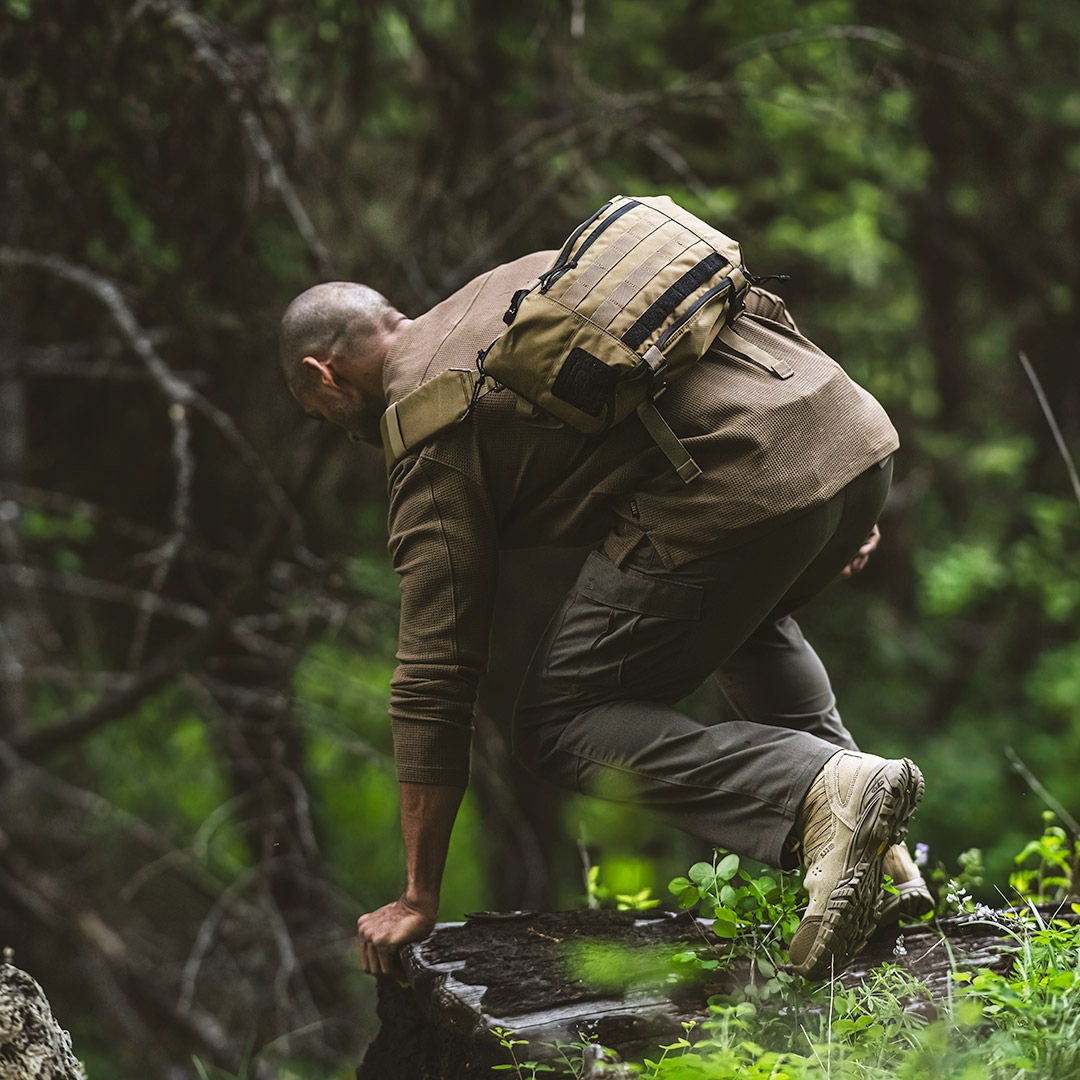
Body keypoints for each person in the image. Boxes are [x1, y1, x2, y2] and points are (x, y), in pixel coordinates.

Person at [279, 237, 932, 982]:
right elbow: (725, 301)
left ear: (321, 376)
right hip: (849, 432)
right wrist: (838, 476)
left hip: (745, 485)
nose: (341, 429)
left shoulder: (426, 426)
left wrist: (417, 894)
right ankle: (882, 863)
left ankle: (821, 791)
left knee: (555, 722)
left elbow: (434, 673)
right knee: (737, 611)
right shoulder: (523, 274)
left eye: (321, 415)